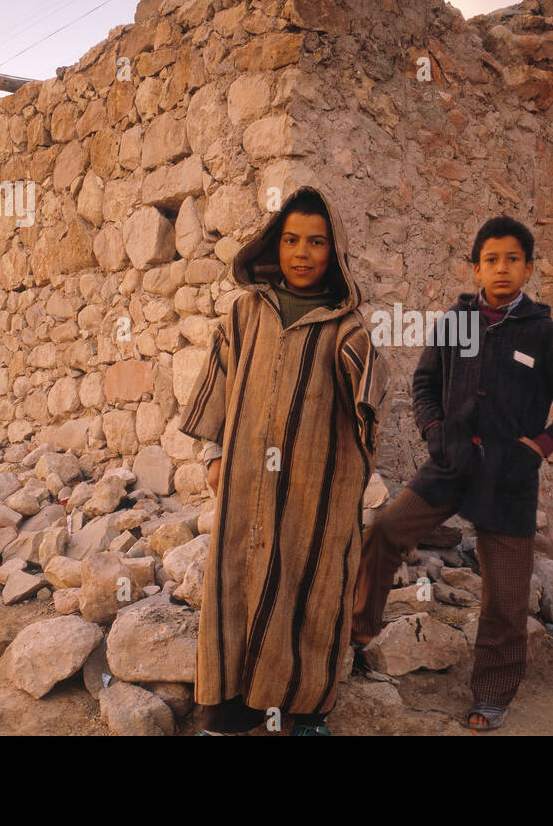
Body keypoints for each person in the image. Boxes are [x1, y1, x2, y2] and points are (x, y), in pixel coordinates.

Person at [351, 215, 553, 731]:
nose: (502, 268)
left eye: (513, 259)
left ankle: (491, 694)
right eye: (491, 260)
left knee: (507, 599)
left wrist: (541, 446)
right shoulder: (458, 322)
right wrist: (435, 431)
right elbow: (424, 383)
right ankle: (358, 633)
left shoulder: (544, 334)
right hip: (449, 464)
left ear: (529, 268)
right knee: (384, 531)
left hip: (509, 478)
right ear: (475, 269)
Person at [178, 186, 387, 736]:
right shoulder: (246, 313)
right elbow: (217, 382)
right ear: (275, 246)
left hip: (313, 493)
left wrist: (364, 364)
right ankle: (226, 713)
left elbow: (370, 401)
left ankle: (305, 711)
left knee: (312, 589)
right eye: (291, 239)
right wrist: (214, 455)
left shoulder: (347, 326)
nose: (301, 252)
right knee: (236, 586)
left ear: (333, 252)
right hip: (245, 483)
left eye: (316, 242)